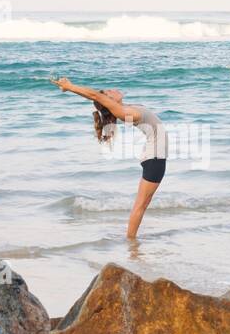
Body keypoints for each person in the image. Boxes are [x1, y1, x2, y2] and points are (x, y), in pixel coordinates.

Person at [51, 77, 167, 238]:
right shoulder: (123, 112)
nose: (113, 90)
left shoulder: (123, 108)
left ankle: (131, 240)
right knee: (141, 205)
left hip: (154, 157)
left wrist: (71, 89)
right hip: (155, 159)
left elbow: (98, 99)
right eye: (109, 93)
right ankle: (131, 243)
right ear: (109, 101)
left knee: (142, 204)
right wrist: (70, 87)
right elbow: (96, 97)